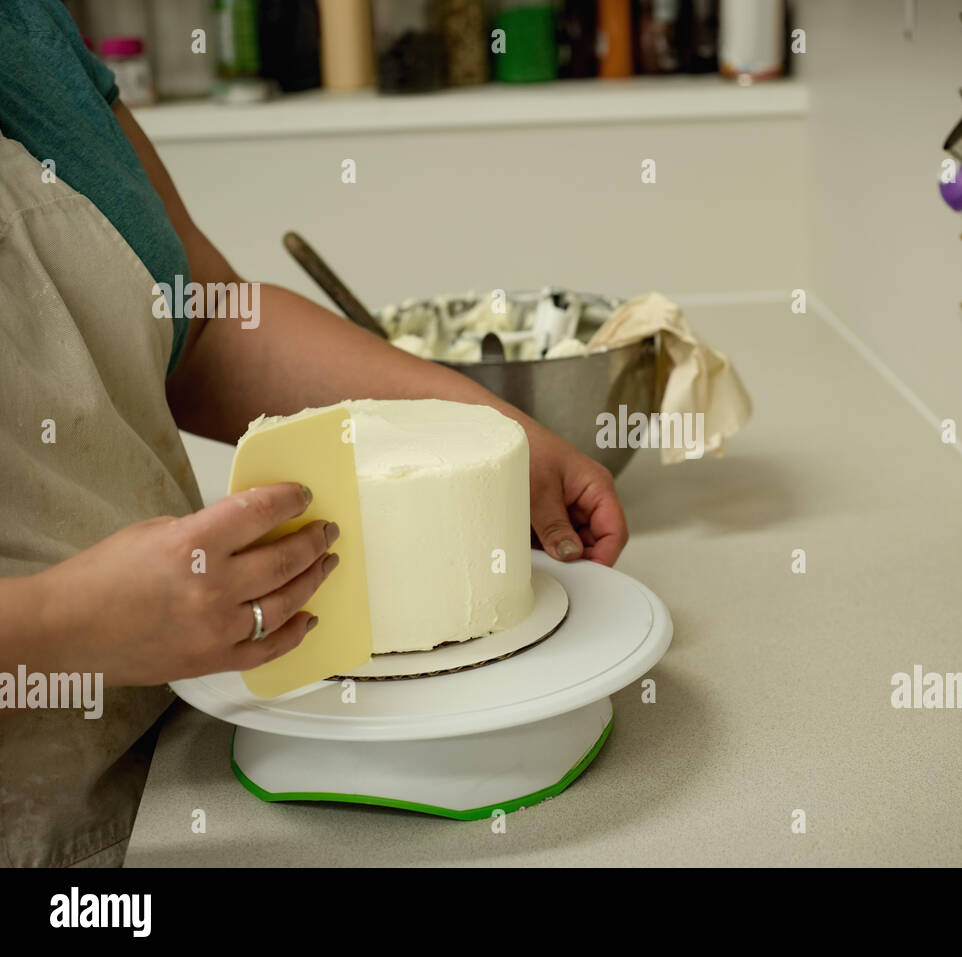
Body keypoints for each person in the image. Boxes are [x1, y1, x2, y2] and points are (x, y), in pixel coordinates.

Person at [0, 0, 627, 867]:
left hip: (190, 751)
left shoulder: (26, 26)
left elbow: (205, 322)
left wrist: (478, 424)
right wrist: (62, 626)